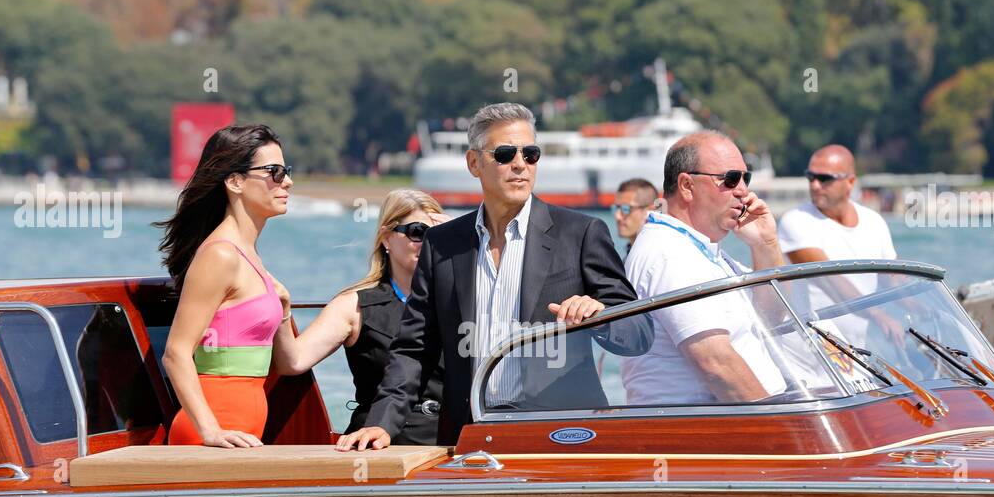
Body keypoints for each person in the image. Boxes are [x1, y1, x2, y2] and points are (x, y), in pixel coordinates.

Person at [336, 102, 651, 450]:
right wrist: (382, 424)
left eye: (531, 154)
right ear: (474, 163)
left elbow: (638, 333)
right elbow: (414, 348)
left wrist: (600, 316)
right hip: (470, 435)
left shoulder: (581, 233)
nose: (520, 164)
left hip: (562, 434)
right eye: (504, 154)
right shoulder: (442, 244)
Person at [621, 131, 789, 406]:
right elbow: (716, 365)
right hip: (704, 432)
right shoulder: (668, 252)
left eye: (745, 179)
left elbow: (770, 318)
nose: (743, 190)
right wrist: (783, 429)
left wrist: (766, 245)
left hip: (739, 422)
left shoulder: (701, 250)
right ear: (687, 185)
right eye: (731, 179)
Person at [273, 189, 448, 444]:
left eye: (436, 234)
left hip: (451, 439)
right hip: (381, 441)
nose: (427, 242)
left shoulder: (460, 300)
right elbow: (293, 361)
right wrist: (282, 311)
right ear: (387, 238)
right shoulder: (355, 306)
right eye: (417, 232)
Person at [158, 124, 293, 447]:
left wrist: (284, 307)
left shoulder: (248, 254)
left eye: (285, 170)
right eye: (273, 172)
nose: (287, 181)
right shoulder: (220, 255)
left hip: (240, 434)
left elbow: (289, 362)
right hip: (210, 439)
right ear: (235, 182)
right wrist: (210, 432)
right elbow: (176, 353)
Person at [777, 144, 901, 343]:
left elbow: (894, 281)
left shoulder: (874, 221)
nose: (815, 185)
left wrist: (931, 310)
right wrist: (878, 315)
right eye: (811, 177)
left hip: (852, 354)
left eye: (825, 179)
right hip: (805, 351)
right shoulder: (795, 220)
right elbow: (828, 278)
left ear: (850, 182)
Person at [612, 178, 662, 254]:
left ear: (651, 211)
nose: (617, 216)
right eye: (616, 208)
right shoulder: (630, 255)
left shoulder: (660, 257)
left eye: (626, 208)